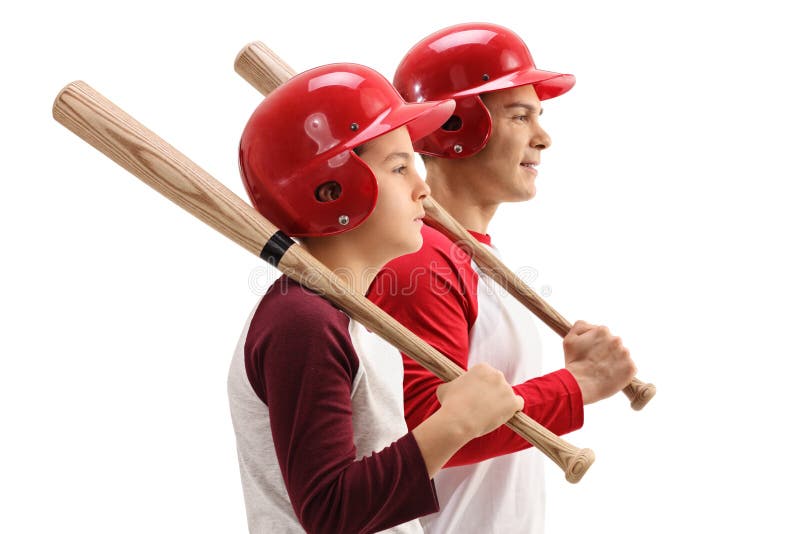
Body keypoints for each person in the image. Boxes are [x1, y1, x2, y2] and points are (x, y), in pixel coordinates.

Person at [227, 62, 527, 534]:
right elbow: (330, 513)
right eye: (399, 168)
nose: (423, 190)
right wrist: (455, 424)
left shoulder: (354, 315)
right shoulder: (301, 320)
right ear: (331, 191)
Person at [367, 23, 637, 534]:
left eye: (539, 117)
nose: (543, 138)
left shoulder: (469, 255)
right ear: (457, 127)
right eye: (520, 116)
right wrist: (577, 385)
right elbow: (425, 430)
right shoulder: (421, 260)